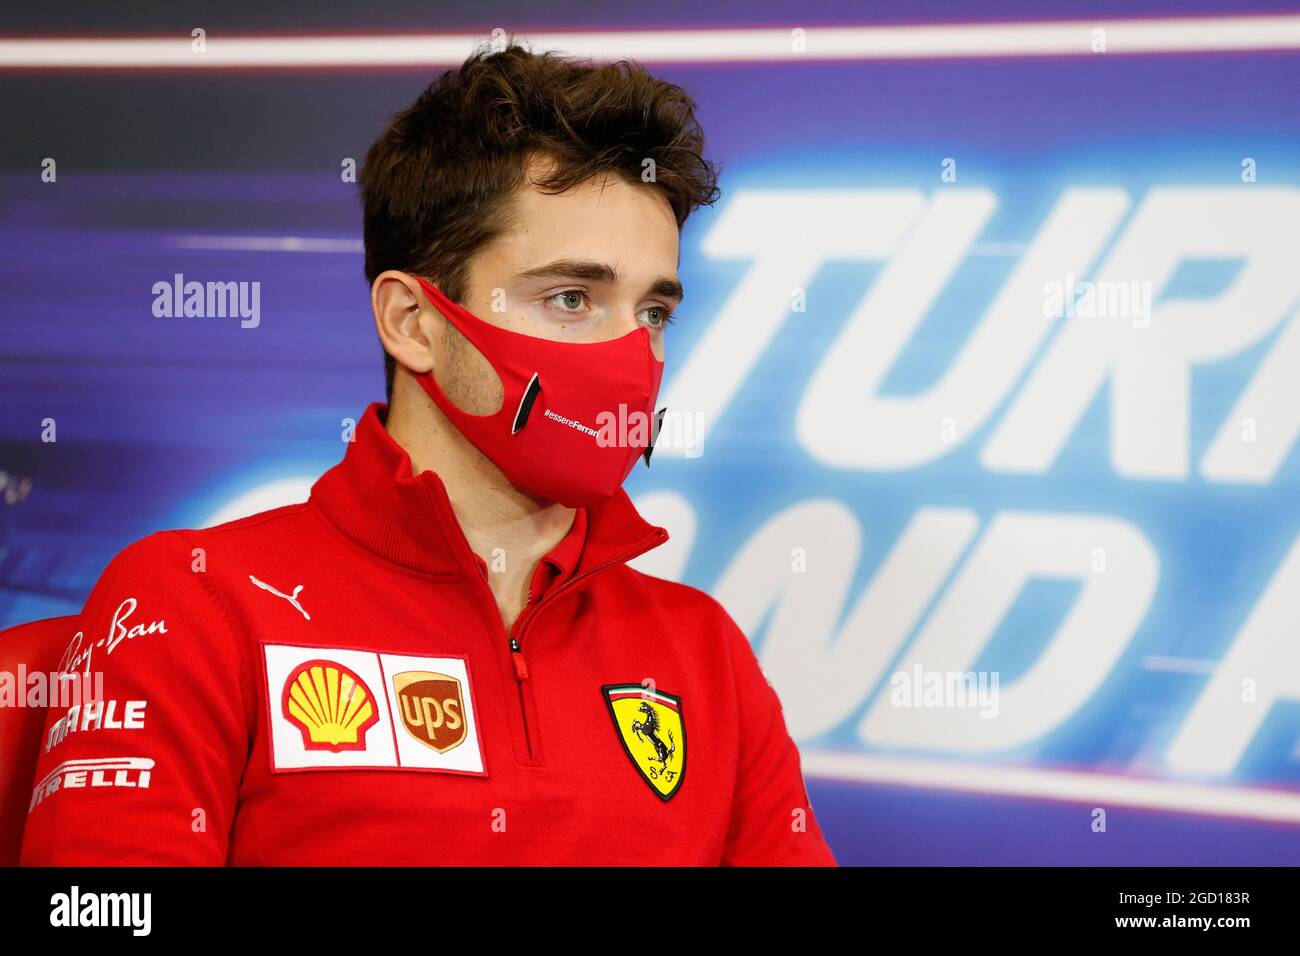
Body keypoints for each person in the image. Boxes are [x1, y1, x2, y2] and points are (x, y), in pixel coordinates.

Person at [20, 43, 836, 866]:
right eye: (571, 298)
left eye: (653, 311)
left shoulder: (703, 654)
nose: (632, 353)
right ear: (414, 321)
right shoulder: (196, 603)